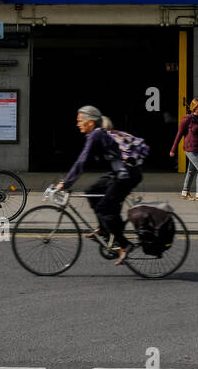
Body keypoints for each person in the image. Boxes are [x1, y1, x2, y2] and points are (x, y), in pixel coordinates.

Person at [57, 105, 143, 264]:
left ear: (90, 122)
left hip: (126, 176)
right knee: (91, 190)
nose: (77, 124)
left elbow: (81, 162)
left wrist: (66, 183)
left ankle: (124, 245)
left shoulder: (96, 135)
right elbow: (86, 161)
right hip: (118, 174)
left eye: (80, 121)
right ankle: (104, 229)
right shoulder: (96, 135)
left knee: (104, 208)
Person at [169, 98, 198, 201]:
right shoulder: (187, 118)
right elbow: (179, 134)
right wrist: (173, 150)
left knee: (191, 171)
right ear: (195, 107)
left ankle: (185, 192)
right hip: (191, 148)